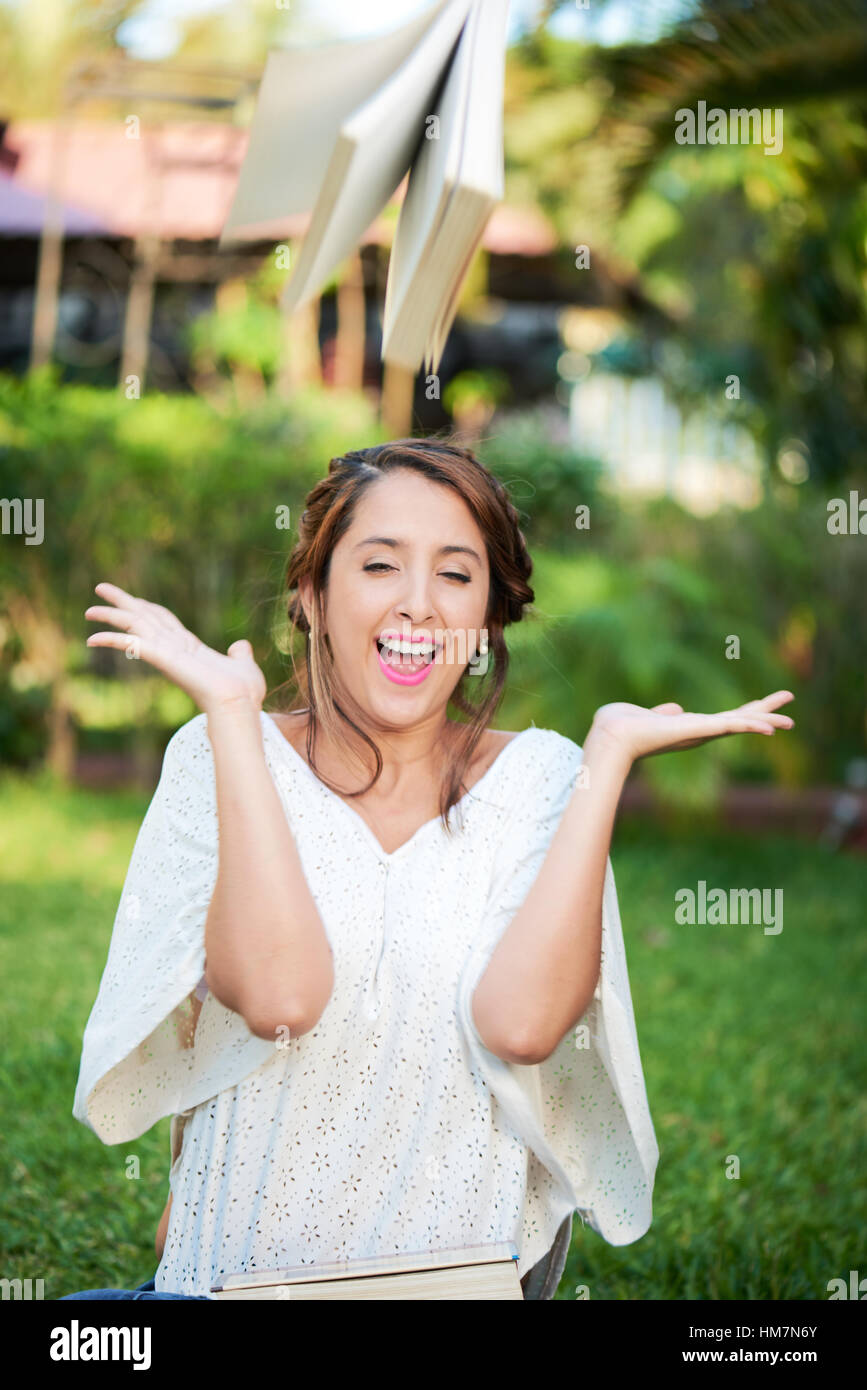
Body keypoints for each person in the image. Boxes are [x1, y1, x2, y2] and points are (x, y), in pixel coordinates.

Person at [60, 437, 794, 1301]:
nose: (418, 606)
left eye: (454, 574)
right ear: (312, 593)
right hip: (232, 1285)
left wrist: (607, 757)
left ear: (486, 615)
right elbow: (279, 1000)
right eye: (379, 565)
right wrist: (230, 715)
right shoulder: (219, 750)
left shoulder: (545, 777)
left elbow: (522, 1027)